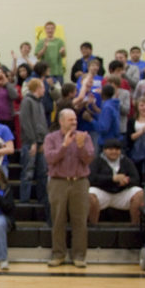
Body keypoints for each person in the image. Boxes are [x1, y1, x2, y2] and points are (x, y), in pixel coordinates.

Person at [44, 108, 94, 267]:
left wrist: (80, 147)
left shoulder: (84, 137)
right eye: (70, 120)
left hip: (80, 182)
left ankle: (79, 256)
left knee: (80, 221)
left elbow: (88, 159)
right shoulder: (51, 138)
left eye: (75, 120)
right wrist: (64, 146)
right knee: (58, 220)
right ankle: (58, 254)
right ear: (61, 121)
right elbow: (50, 158)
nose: (74, 122)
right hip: (58, 182)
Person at [87, 139, 143, 225]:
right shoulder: (97, 161)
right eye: (110, 149)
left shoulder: (126, 161)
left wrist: (126, 181)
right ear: (104, 150)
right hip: (102, 193)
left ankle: (135, 226)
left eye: (117, 149)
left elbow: (136, 178)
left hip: (121, 193)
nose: (114, 152)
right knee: (89, 194)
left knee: (139, 192)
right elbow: (91, 178)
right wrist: (112, 179)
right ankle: (92, 226)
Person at [18, 79, 48, 203]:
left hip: (41, 142)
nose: (44, 90)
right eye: (42, 87)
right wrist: (33, 141)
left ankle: (42, 198)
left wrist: (44, 141)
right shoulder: (27, 101)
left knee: (42, 172)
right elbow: (26, 123)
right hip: (30, 142)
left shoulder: (40, 103)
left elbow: (43, 124)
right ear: (37, 88)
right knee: (28, 172)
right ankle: (24, 199)